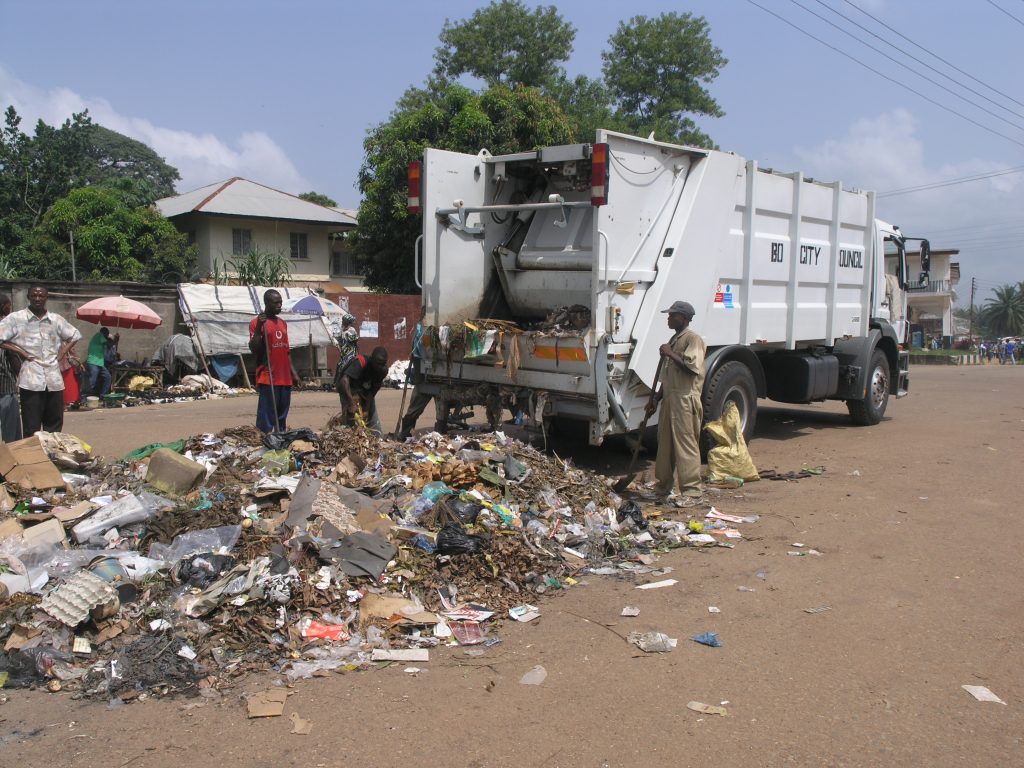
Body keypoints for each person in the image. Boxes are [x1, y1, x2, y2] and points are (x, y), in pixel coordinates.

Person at [645, 300, 706, 501]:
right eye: (669, 315)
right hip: (670, 399)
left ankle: (691, 491)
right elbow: (668, 378)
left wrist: (670, 354)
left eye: (673, 315)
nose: (669, 318)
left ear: (684, 318)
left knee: (685, 444)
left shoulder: (693, 339)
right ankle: (663, 487)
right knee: (665, 445)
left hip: (685, 400)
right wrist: (656, 398)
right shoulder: (674, 340)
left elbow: (692, 368)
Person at [0, 285, 81, 435]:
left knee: (54, 425)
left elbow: (75, 335)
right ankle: (34, 457)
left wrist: (63, 351)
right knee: (32, 426)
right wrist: (20, 351)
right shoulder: (17, 318)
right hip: (31, 379)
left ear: (46, 297)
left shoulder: (55, 319)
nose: (37, 299)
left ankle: (51, 456)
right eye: (34, 296)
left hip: (54, 380)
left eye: (41, 296)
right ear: (28, 297)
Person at [248, 289, 301, 433]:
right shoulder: (256, 323)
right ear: (266, 303)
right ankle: (263, 442)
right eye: (276, 303)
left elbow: (286, 350)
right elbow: (254, 348)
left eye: (280, 302)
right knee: (266, 416)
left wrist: (294, 373)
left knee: (281, 416)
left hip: (285, 377)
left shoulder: (283, 323)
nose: (279, 306)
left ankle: (280, 441)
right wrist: (259, 327)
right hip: (268, 376)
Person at [398, 307, 441, 440]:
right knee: (417, 407)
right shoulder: (423, 329)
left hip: (425, 374)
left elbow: (421, 352)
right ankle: (406, 433)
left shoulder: (424, 330)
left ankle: (405, 433)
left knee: (415, 407)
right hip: (426, 373)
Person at [337, 345, 388, 434]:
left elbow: (373, 391)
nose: (380, 366)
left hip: (364, 391)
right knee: (351, 420)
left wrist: (367, 409)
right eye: (378, 363)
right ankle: (349, 437)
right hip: (348, 388)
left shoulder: (383, 371)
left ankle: (377, 439)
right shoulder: (361, 361)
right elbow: (344, 380)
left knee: (372, 421)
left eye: (383, 364)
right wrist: (351, 403)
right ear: (372, 359)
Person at [0, 293, 22, 441]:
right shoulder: (6, 326)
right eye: (9, 305)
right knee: (10, 431)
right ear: (4, 307)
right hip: (6, 386)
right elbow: (12, 356)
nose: (10, 308)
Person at [85, 327, 119, 396]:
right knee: (92, 381)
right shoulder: (99, 335)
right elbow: (109, 344)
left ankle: (103, 395)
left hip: (99, 363)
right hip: (93, 362)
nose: (107, 336)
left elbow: (110, 347)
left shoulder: (101, 340)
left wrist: (116, 341)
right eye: (107, 334)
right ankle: (85, 397)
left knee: (108, 377)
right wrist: (115, 340)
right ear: (104, 333)